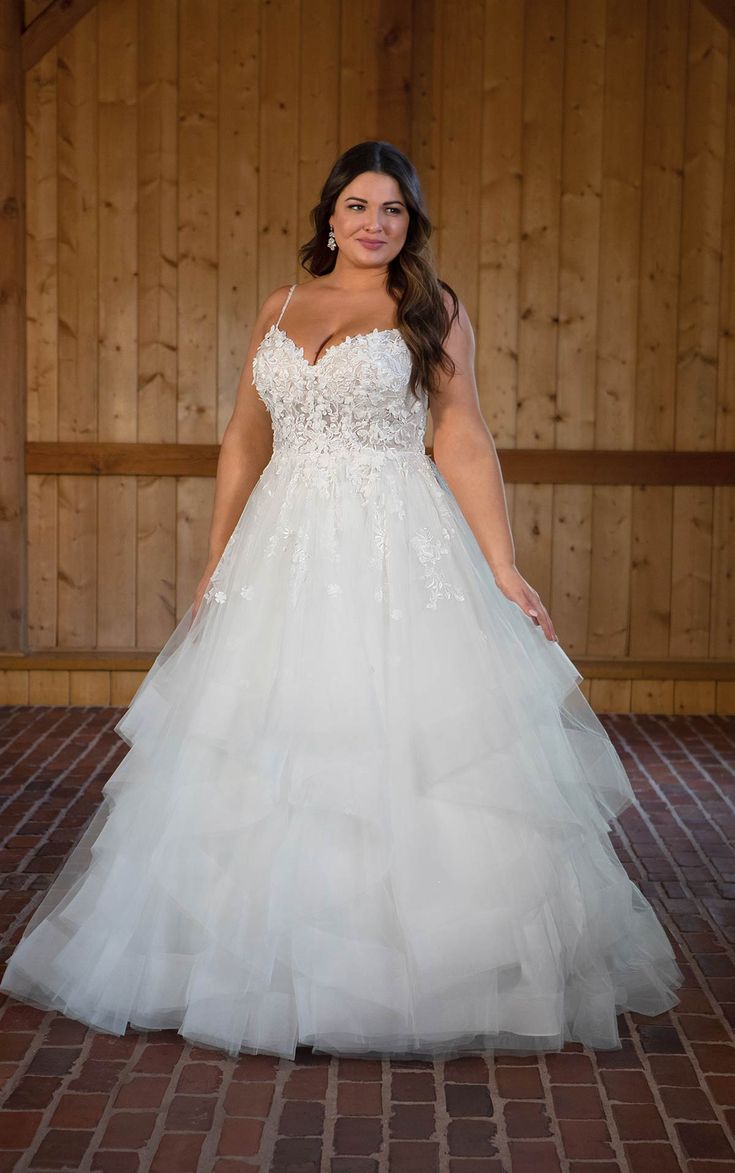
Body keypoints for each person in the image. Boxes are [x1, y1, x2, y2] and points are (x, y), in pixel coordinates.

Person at [0, 140, 682, 1061]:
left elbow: (463, 436)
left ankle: (407, 973)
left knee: (397, 746)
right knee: (261, 753)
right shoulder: (278, 307)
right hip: (281, 546)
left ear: (411, 225)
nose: (375, 224)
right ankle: (256, 965)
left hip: (394, 541)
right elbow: (245, 436)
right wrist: (217, 555)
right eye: (359, 206)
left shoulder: (429, 309)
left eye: (393, 210)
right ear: (330, 215)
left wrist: (502, 565)